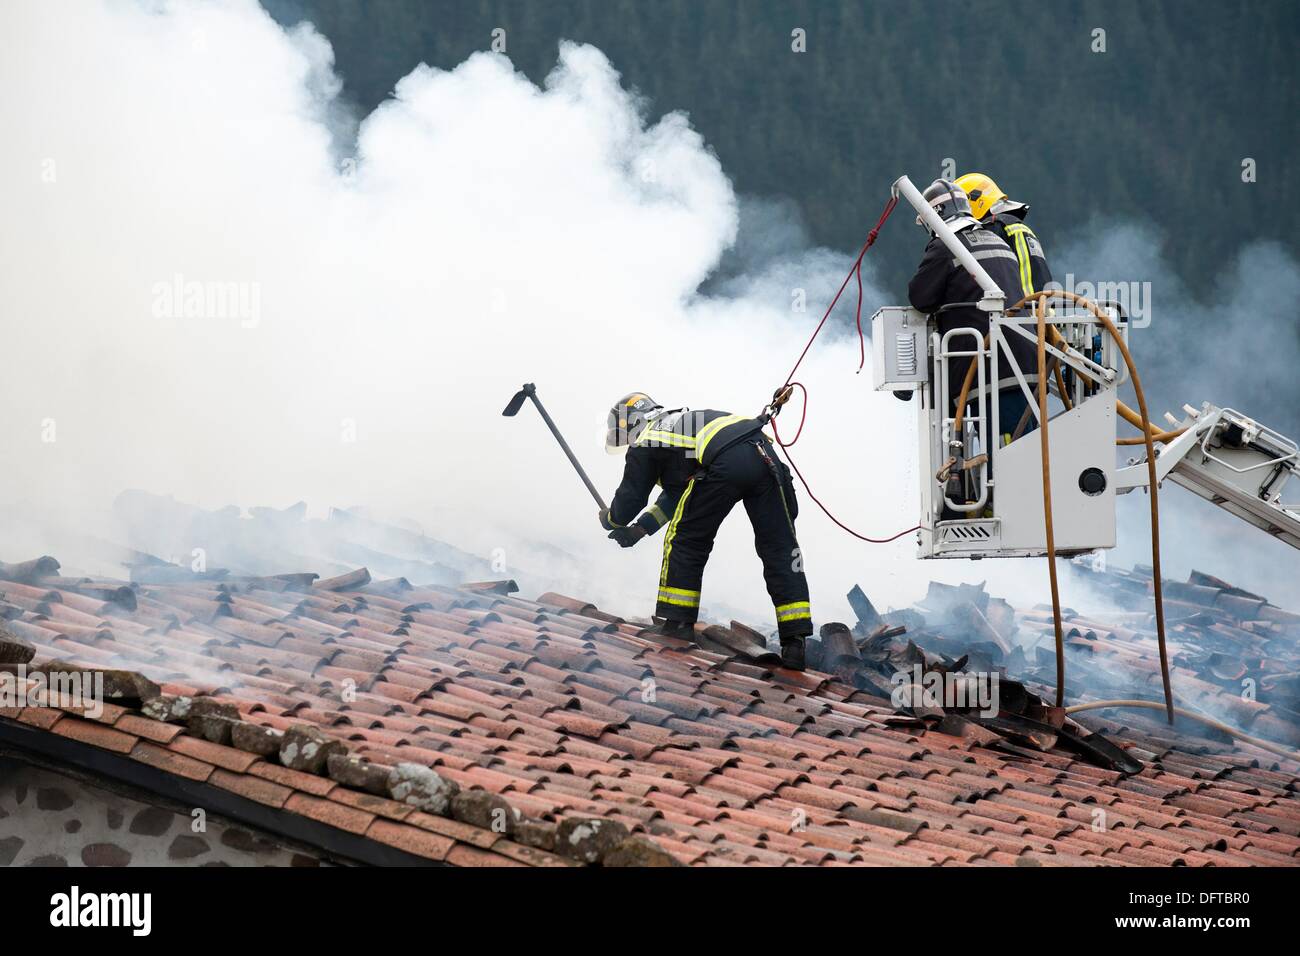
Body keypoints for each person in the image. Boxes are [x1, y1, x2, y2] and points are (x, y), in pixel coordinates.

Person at [600, 392, 813, 669]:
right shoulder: (683, 425)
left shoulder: (647, 438)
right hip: (764, 456)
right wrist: (640, 529)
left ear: (630, 424)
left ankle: (677, 625)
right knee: (781, 548)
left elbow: (631, 497)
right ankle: (795, 642)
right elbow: (680, 497)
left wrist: (613, 520)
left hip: (727, 460)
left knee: (686, 540)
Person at [907, 178, 1039, 445]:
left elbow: (920, 298)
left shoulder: (945, 246)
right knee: (1028, 455)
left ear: (935, 217)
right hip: (1026, 361)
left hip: (987, 371)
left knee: (997, 467)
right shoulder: (997, 238)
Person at [955, 172, 1052, 300]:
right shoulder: (1016, 226)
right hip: (1039, 310)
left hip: (1019, 311)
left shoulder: (994, 228)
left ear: (975, 200)